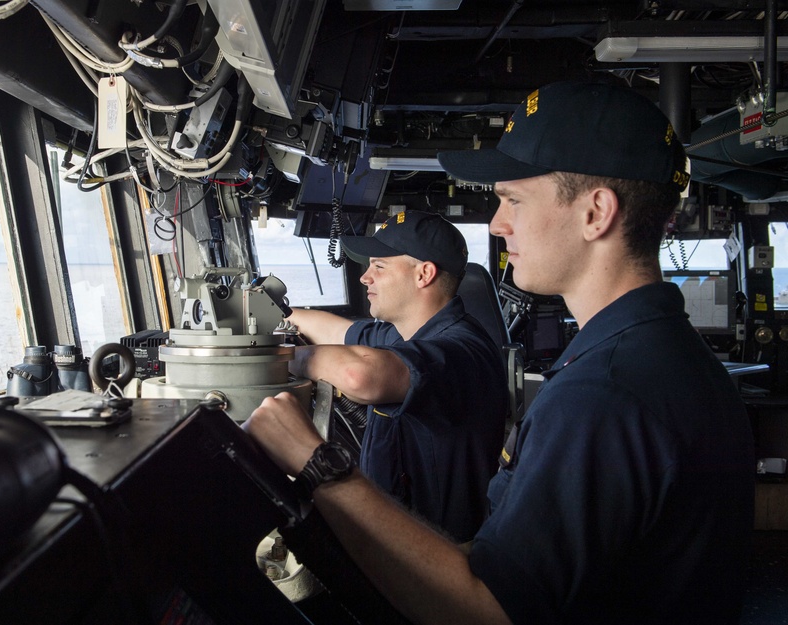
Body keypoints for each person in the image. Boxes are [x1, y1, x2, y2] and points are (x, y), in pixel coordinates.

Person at [243, 80, 755, 624]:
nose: (496, 223)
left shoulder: (604, 394)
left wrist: (317, 466)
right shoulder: (658, 353)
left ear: (595, 213)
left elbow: (487, 610)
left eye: (513, 199)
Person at [285, 210, 507, 543]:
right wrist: (273, 311)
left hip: (439, 555)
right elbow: (334, 329)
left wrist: (278, 359)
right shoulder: (402, 335)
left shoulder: (461, 351)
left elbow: (359, 375)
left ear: (424, 274)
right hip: (396, 537)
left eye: (379, 266)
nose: (364, 277)